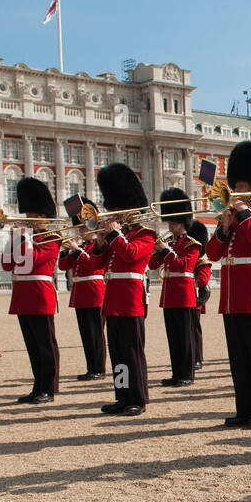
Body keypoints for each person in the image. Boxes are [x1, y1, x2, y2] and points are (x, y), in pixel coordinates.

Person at [203, 141, 251, 428]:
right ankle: (245, 408)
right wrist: (224, 227)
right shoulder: (230, 220)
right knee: (239, 360)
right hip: (232, 298)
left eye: (243, 188)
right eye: (235, 187)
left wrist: (245, 215)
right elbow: (212, 254)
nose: (236, 193)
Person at [93, 163, 154, 416]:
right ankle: (121, 395)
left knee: (131, 352)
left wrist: (116, 235)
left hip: (130, 300)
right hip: (113, 300)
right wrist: (99, 242)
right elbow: (95, 263)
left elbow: (131, 256)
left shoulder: (145, 234)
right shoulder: (118, 236)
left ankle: (137, 398)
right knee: (118, 354)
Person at [1, 177, 61, 404]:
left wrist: (23, 239)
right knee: (33, 346)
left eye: (32, 215)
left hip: (40, 294)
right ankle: (38, 386)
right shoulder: (27, 237)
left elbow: (33, 260)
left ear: (44, 216)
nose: (28, 219)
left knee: (45, 345)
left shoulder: (52, 238)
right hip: (23, 295)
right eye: (27, 215)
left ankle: (50, 387)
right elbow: (8, 265)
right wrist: (12, 241)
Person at [150, 187, 202, 387]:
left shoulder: (192, 244)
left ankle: (187, 374)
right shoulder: (170, 241)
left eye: (172, 222)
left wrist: (166, 251)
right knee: (173, 338)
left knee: (185, 338)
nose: (169, 225)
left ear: (181, 222)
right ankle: (176, 373)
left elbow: (183, 266)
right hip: (170, 295)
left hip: (183, 295)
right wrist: (158, 251)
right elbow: (153, 266)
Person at [57, 198, 107, 380]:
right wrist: (64, 251)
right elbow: (64, 266)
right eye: (80, 228)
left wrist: (77, 250)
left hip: (94, 292)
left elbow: (93, 265)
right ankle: (91, 367)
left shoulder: (97, 245)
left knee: (96, 334)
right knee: (86, 334)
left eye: (83, 228)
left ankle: (99, 368)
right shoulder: (83, 246)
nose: (80, 231)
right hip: (81, 294)